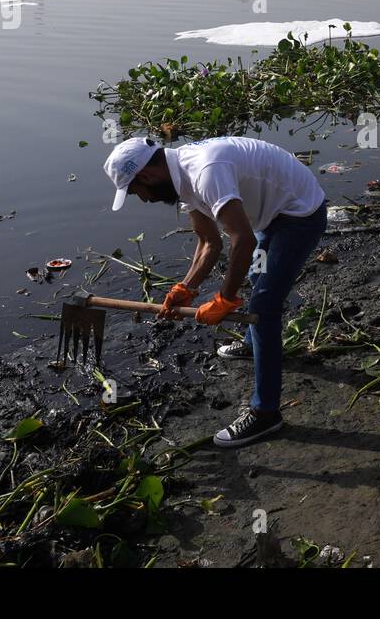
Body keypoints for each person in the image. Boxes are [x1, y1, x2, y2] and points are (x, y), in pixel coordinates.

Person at [103, 135, 327, 448]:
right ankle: (253, 344)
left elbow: (243, 241)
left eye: (136, 190)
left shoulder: (206, 171)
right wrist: (186, 288)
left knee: (263, 305)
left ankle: (265, 414)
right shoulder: (182, 177)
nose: (142, 198)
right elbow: (210, 242)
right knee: (256, 275)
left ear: (147, 176)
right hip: (270, 211)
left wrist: (224, 298)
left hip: (299, 214)